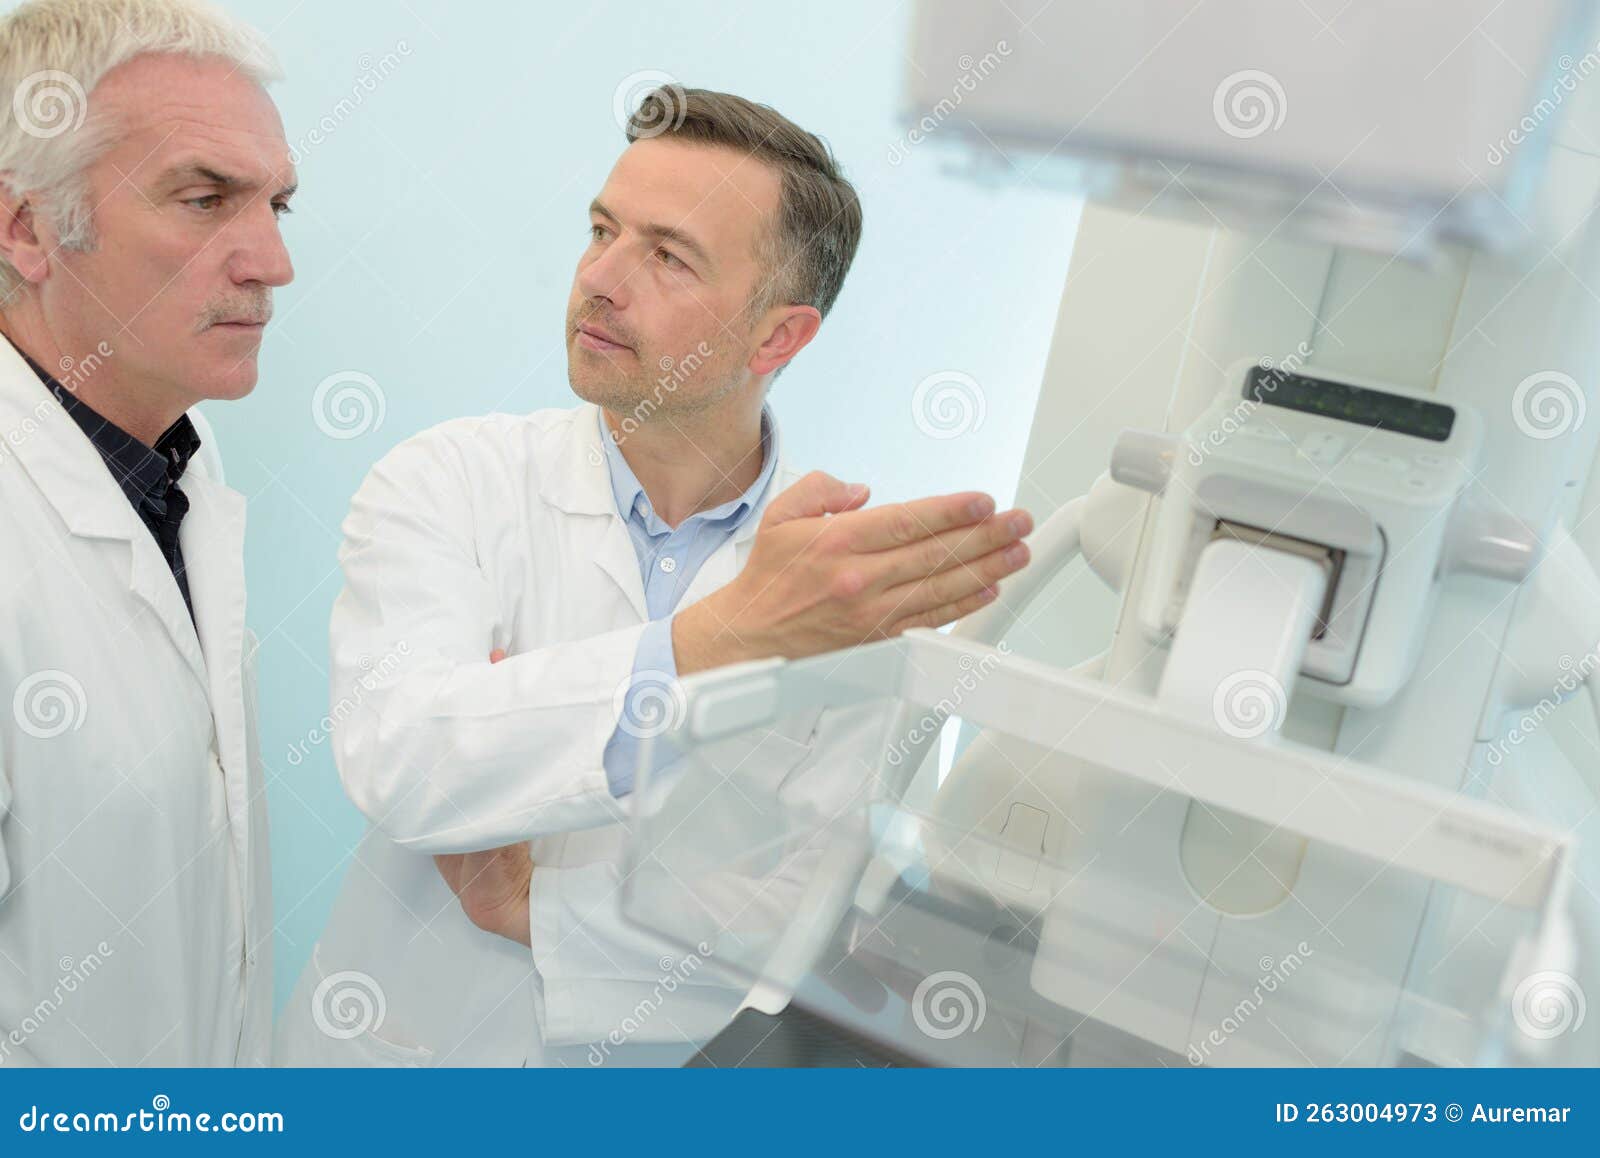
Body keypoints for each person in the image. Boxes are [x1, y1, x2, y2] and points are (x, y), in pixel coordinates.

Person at [275, 86, 1030, 1066]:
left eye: (667, 256)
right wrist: (733, 634)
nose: (600, 277)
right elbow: (405, 762)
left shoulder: (845, 580)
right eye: (602, 230)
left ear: (777, 338)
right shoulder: (450, 483)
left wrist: (540, 906)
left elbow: (813, 923)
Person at [0, 0, 294, 1065]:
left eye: (277, 206)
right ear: (26, 228)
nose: (270, 261)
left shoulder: (176, 473)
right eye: (205, 198)